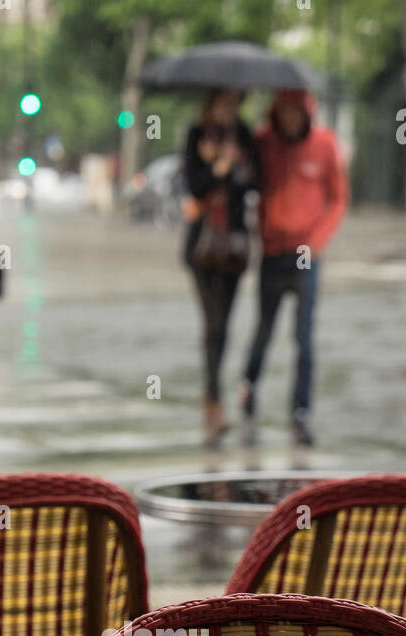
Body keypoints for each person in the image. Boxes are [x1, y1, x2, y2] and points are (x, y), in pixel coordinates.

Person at [239, 88, 348, 446]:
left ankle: (300, 412)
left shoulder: (324, 145)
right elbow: (244, 176)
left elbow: (337, 199)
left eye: (295, 112)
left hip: (306, 255)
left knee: (303, 336)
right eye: (283, 112)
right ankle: (248, 388)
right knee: (264, 330)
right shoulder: (263, 144)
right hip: (272, 252)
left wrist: (317, 241)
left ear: (305, 112)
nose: (290, 119)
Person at [183, 89, 258, 446]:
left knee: (224, 327)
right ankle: (213, 401)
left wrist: (237, 166)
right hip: (202, 247)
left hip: (234, 247)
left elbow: (257, 183)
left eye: (234, 104)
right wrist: (215, 168)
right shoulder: (196, 135)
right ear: (211, 104)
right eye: (224, 103)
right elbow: (192, 187)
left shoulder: (244, 136)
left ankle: (214, 397)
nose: (229, 110)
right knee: (212, 323)